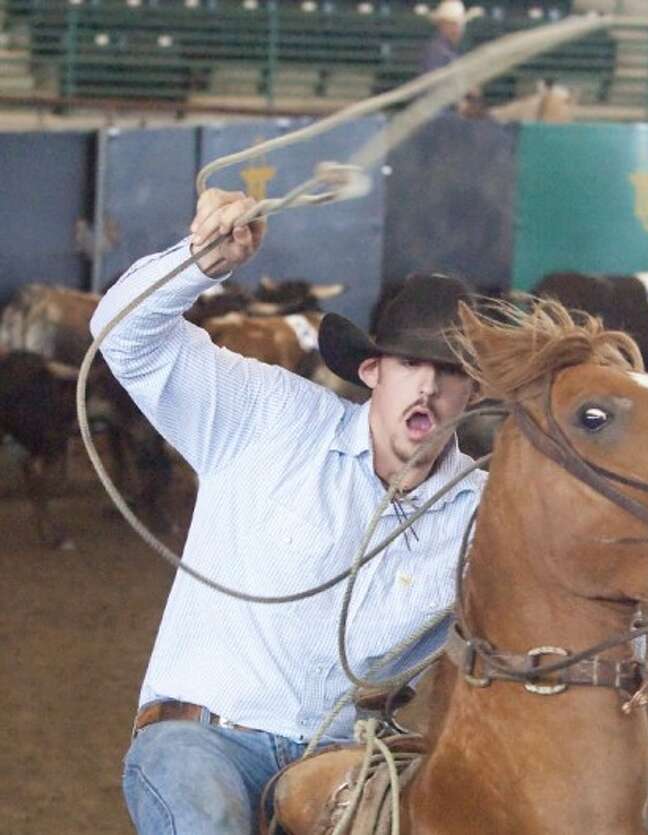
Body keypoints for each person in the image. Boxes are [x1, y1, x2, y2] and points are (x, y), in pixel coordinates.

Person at [93, 188, 486, 834]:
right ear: (372, 370)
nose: (428, 386)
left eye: (450, 371)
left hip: (345, 762)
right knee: (209, 821)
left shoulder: (482, 513)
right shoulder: (269, 415)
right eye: (410, 363)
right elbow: (123, 335)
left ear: (473, 390)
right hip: (202, 737)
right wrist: (199, 260)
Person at [420, 0, 485, 115]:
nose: (457, 30)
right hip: (438, 114)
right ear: (442, 25)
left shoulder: (450, 51)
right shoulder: (436, 50)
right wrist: (460, 102)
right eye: (452, 25)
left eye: (459, 25)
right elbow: (436, 85)